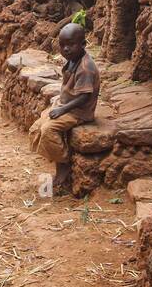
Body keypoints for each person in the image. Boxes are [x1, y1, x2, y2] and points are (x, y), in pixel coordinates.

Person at [29, 22, 100, 193]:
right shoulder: (72, 60)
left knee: (48, 130)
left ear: (83, 45)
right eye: (62, 45)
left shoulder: (85, 68)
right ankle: (56, 159)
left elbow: (85, 96)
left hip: (79, 112)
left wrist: (63, 109)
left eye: (70, 44)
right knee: (36, 128)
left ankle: (64, 166)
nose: (65, 49)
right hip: (66, 106)